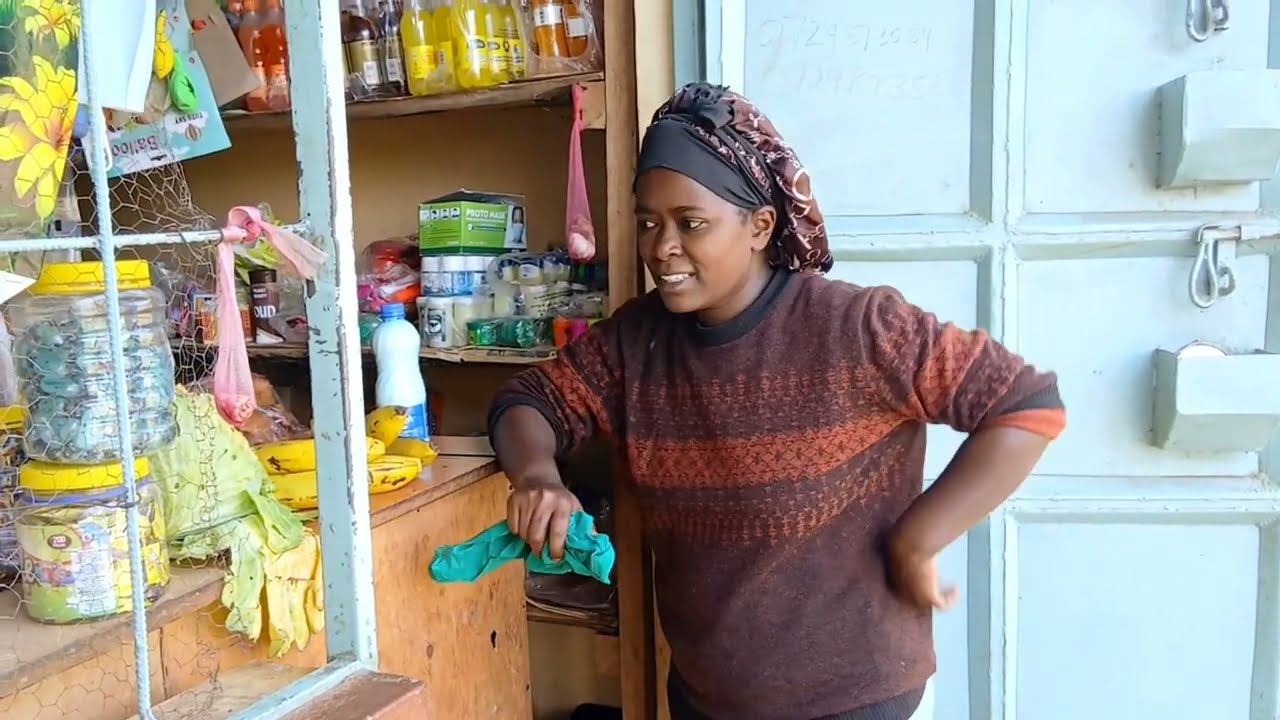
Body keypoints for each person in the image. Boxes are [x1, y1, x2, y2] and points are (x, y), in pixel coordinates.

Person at [488, 83, 1066, 720]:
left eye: (691, 223)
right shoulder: (636, 341)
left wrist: (919, 539)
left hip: (858, 700)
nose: (661, 247)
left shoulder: (858, 329)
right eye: (648, 221)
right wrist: (538, 476)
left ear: (760, 225)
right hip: (707, 700)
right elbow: (529, 399)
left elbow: (1026, 404)